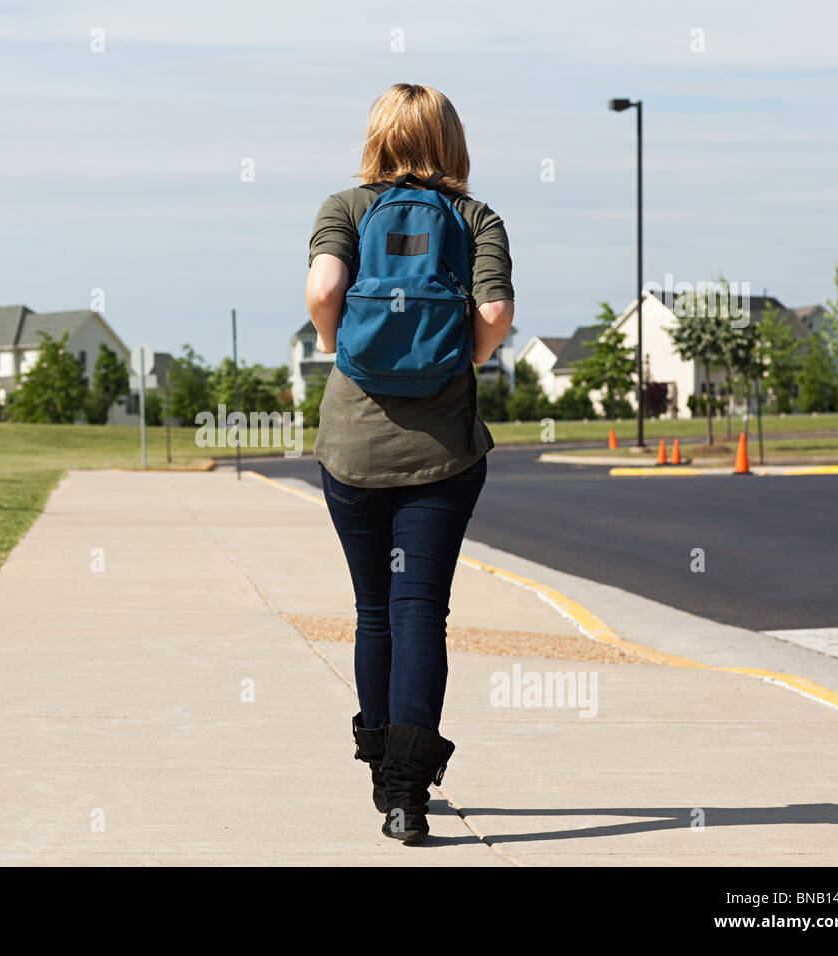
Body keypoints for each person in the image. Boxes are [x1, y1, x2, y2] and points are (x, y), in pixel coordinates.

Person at [304, 83, 515, 845]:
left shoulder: (346, 208)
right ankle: (407, 795)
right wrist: (467, 359)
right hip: (443, 452)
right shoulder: (475, 217)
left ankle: (379, 773)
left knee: (371, 611)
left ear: (378, 137)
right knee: (419, 608)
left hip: (353, 445)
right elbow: (493, 312)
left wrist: (337, 347)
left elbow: (325, 287)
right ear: (449, 142)